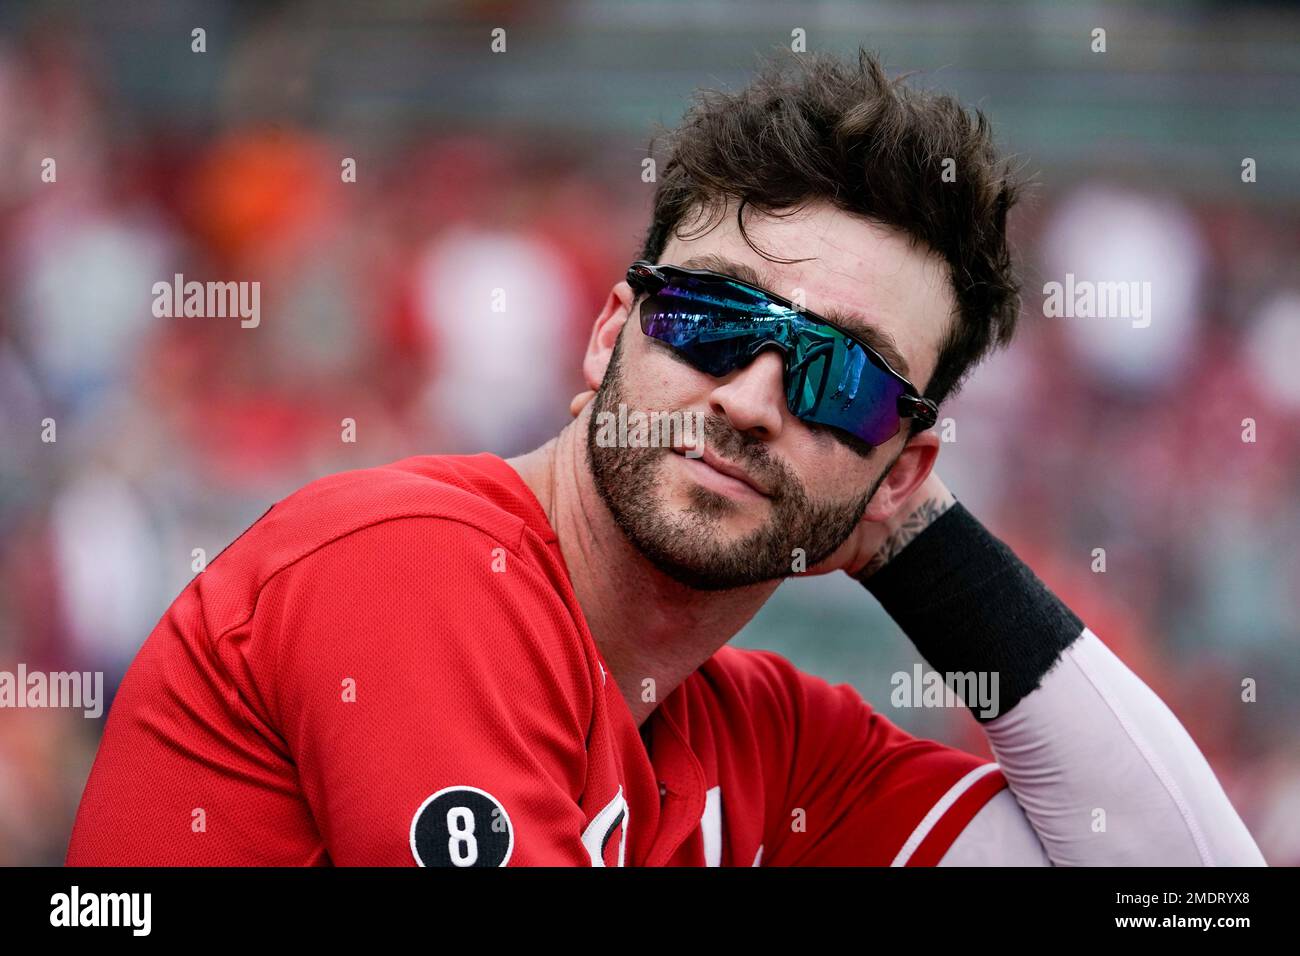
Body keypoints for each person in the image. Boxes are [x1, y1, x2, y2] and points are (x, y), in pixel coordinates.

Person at [66, 49, 1264, 867]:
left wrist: (928, 553)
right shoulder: (412, 563)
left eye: (837, 377)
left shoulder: (772, 743)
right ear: (606, 333)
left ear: (900, 472)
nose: (749, 398)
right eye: (711, 318)